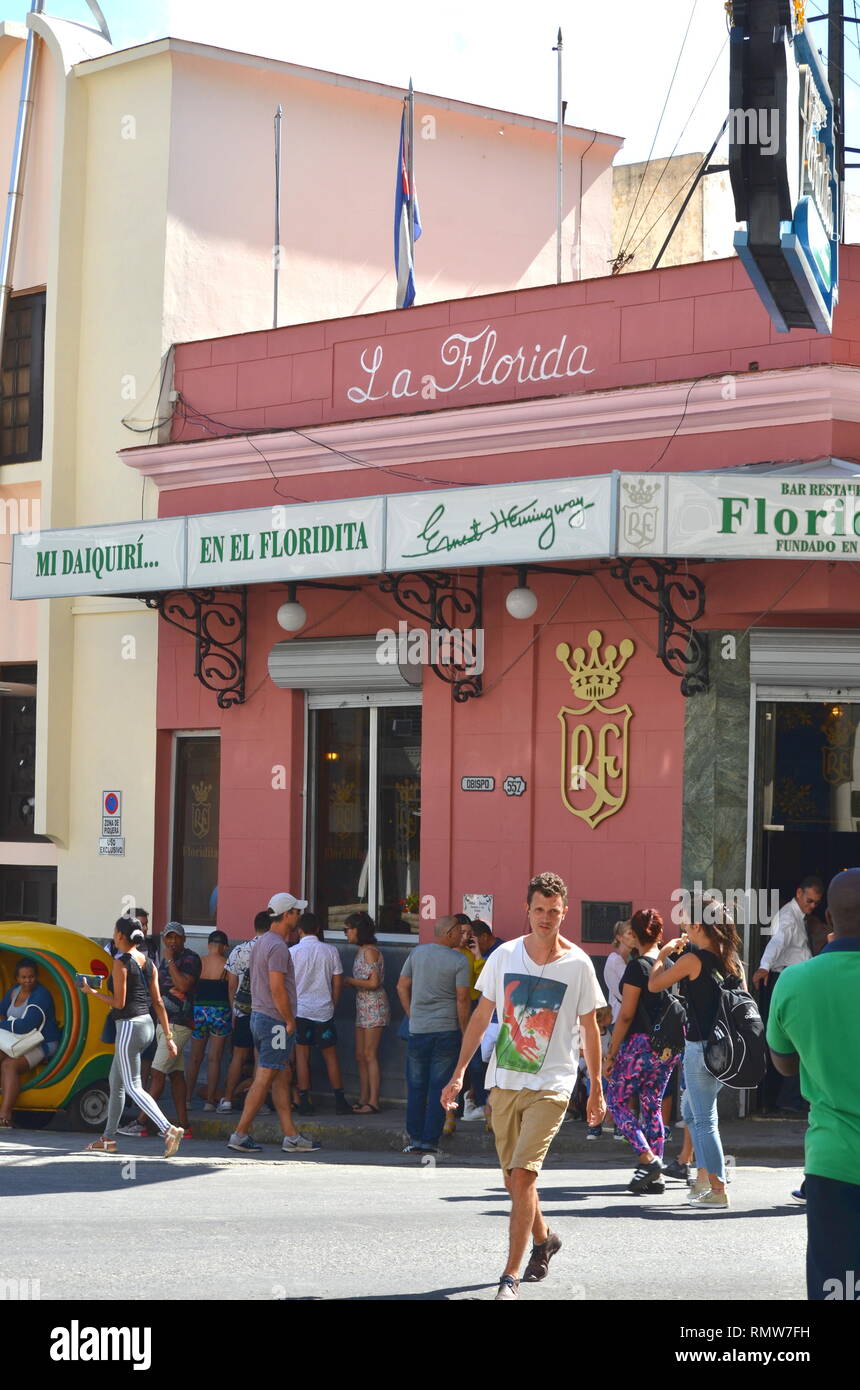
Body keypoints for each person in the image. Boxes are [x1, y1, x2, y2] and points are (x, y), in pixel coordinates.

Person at [442, 871, 607, 1301]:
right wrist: (460, 1073)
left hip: (553, 1084)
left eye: (554, 911)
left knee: (523, 1172)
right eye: (539, 909)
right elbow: (481, 1017)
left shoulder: (578, 964)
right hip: (504, 1081)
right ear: (527, 910)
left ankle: (509, 1276)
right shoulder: (504, 957)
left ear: (564, 912)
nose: (546, 917)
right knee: (515, 1183)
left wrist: (596, 1086)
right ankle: (544, 1239)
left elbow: (590, 1028)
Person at [766, 867, 860, 1300]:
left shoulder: (795, 982)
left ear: (829, 916)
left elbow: (783, 1064)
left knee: (836, 1288)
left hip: (832, 1160)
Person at [649, 903, 744, 1211]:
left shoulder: (691, 960)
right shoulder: (733, 963)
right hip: (724, 1053)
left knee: (704, 1120)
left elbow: (654, 984)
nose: (684, 929)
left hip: (699, 1049)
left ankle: (718, 1188)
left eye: (688, 924)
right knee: (692, 1111)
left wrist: (662, 954)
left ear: (700, 927)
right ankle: (703, 1180)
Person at [227, 892, 320, 1154]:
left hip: (260, 1017)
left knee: (281, 1075)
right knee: (265, 1077)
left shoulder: (262, 942)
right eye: (297, 912)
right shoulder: (278, 946)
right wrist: (290, 1020)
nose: (299, 917)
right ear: (287, 914)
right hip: (275, 1021)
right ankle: (240, 1133)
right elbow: (278, 987)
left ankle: (291, 1136)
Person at [81, 919, 183, 1157]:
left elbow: (119, 1003)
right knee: (116, 1081)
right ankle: (107, 1139)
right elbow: (158, 1002)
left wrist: (92, 992)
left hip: (128, 1027)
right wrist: (168, 1036)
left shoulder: (121, 962)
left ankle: (168, 1130)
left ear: (118, 935)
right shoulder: (149, 963)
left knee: (132, 1085)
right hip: (147, 1025)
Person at [604, 910, 680, 1194]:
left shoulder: (637, 968)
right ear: (660, 934)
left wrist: (611, 1054)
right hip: (666, 1048)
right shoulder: (670, 963)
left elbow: (625, 1015)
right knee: (652, 1106)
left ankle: (648, 1160)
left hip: (638, 1045)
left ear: (634, 935)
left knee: (615, 1100)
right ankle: (656, 1176)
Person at [397, 916, 472, 1155]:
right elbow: (462, 999)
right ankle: (430, 1141)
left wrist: (412, 1014)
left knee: (416, 1085)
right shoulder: (460, 960)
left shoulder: (417, 953)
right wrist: (465, 1030)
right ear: (448, 932)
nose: (462, 937)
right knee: (440, 1087)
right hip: (446, 1030)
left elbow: (401, 986)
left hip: (418, 1029)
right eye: (460, 932)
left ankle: (415, 1139)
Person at [119, 922, 200, 1139]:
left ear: (184, 939)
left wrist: (171, 960)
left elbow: (183, 986)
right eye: (169, 937)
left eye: (176, 937)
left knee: (157, 1073)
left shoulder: (190, 959)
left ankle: (141, 1123)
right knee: (175, 1075)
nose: (172, 941)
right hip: (165, 1023)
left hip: (180, 1024)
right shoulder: (164, 960)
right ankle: (185, 1126)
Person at [753, 876, 824, 1115]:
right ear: (798, 892)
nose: (812, 906)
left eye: (816, 903)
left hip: (794, 983)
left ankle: (792, 1098)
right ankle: (789, 1098)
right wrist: (764, 966)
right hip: (789, 983)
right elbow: (777, 942)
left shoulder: (798, 917)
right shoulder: (787, 918)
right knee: (797, 1041)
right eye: (809, 900)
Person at [290, 911, 351, 1115]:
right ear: (317, 929)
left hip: (300, 1011)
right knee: (331, 1056)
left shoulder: (293, 952)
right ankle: (340, 1100)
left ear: (299, 930)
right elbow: (338, 981)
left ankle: (305, 1101)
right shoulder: (331, 950)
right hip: (324, 1010)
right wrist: (332, 1003)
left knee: (301, 1056)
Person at [0, 958, 61, 1127]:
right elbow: (2, 1010)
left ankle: (5, 1115)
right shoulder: (14, 991)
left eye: (31, 976)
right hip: (16, 1041)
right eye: (24, 977)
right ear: (17, 978)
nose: (28, 980)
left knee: (9, 1065)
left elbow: (25, 1025)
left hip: (42, 1044)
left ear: (36, 976)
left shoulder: (41, 995)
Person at [220, 911, 271, 1113]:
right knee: (260, 1056)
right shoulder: (272, 949)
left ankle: (227, 1099)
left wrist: (234, 1010)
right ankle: (260, 1102)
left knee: (238, 1057)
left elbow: (231, 985)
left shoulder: (239, 950)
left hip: (242, 1011)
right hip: (264, 1011)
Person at [343, 911, 390, 1114]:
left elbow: (374, 982)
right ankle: (364, 1098)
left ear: (357, 930)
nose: (345, 934)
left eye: (347, 929)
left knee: (370, 1054)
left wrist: (350, 981)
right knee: (361, 1055)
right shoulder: (361, 951)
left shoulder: (370, 951)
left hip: (374, 1006)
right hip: (363, 1005)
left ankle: (373, 1101)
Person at [186, 930, 232, 1110]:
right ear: (225, 946)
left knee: (195, 1058)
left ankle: (187, 1099)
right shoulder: (228, 964)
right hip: (221, 1012)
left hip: (199, 1011)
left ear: (208, 945)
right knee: (215, 1058)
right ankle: (210, 1101)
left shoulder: (200, 963)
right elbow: (231, 990)